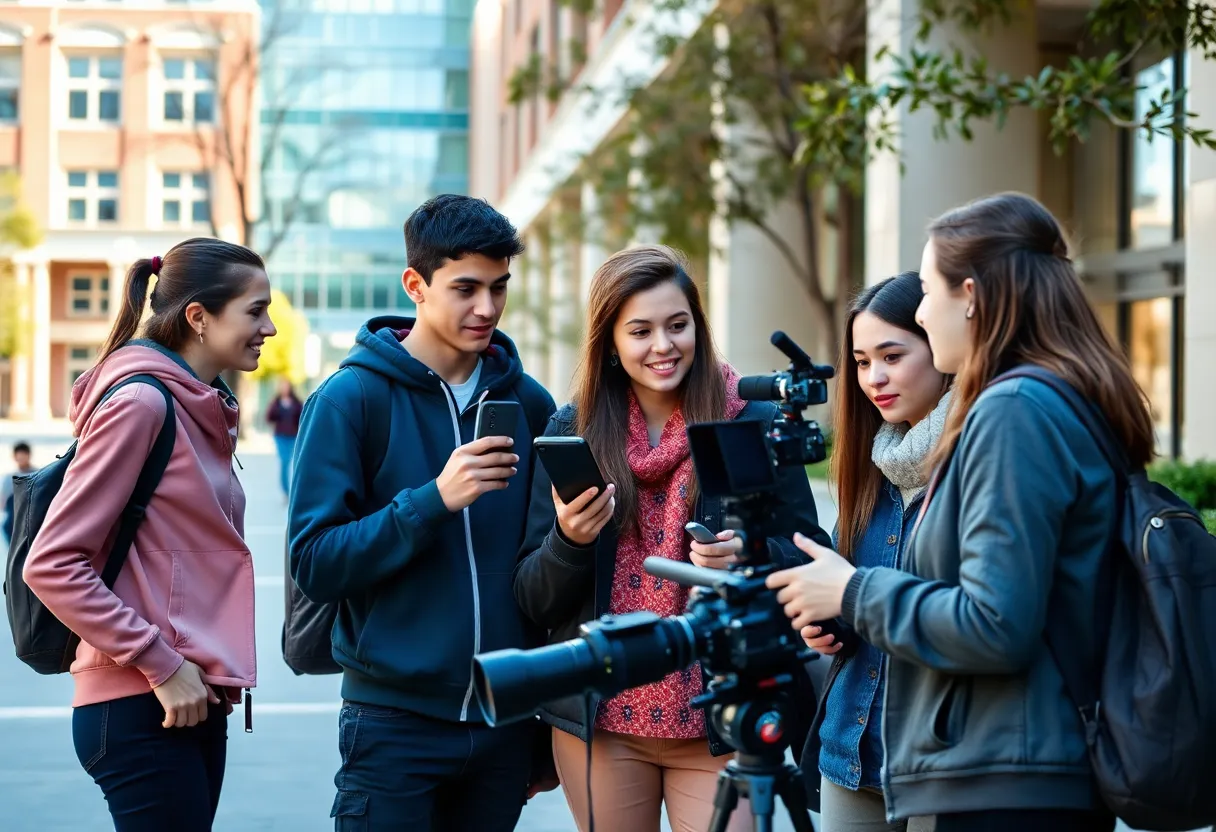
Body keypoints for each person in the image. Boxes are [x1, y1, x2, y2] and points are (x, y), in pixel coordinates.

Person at [768, 192, 1152, 832]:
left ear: (970, 296)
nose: (920, 309)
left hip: (1008, 771)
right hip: (1026, 765)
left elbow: (997, 621)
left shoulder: (1014, 410)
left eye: (925, 292)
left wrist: (854, 589)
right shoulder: (1055, 397)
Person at [514, 244, 832, 832]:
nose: (663, 345)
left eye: (677, 325)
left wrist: (749, 557)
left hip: (723, 719)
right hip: (602, 723)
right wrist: (568, 540)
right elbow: (533, 597)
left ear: (698, 327)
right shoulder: (571, 429)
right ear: (609, 341)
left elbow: (814, 555)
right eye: (640, 331)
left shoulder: (749, 419)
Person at [288, 194, 556, 831]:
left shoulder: (532, 405)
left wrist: (547, 717)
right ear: (415, 283)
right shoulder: (350, 398)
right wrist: (433, 500)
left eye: (498, 288)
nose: (486, 308)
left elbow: (545, 577)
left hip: (504, 725)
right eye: (465, 288)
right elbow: (313, 562)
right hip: (392, 726)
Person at [22, 238, 276, 831]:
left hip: (183, 697)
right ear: (198, 316)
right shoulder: (142, 403)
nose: (268, 327)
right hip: (141, 700)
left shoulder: (200, 407)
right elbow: (53, 563)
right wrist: (161, 663)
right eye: (255, 310)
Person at [797, 272, 949, 832]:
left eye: (892, 355)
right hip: (852, 750)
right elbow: (856, 600)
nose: (874, 378)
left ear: (943, 348)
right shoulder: (872, 468)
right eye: (861, 362)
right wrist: (826, 623)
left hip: (941, 760)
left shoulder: (977, 465)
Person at [265, 378, 303, 499]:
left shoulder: (296, 403)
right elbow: (269, 417)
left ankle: (293, 490)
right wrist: (277, 407)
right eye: (283, 386)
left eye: (287, 386)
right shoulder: (276, 402)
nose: (285, 389)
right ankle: (287, 491)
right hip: (280, 436)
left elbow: (302, 418)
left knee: (292, 462)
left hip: (293, 436)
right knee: (285, 462)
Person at [2, 440, 36, 543]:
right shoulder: (10, 477)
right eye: (19, 455)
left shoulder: (37, 474)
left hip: (32, 512)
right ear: (14, 457)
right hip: (15, 515)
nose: (21, 458)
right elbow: (3, 501)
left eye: (23, 455)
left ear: (29, 455)